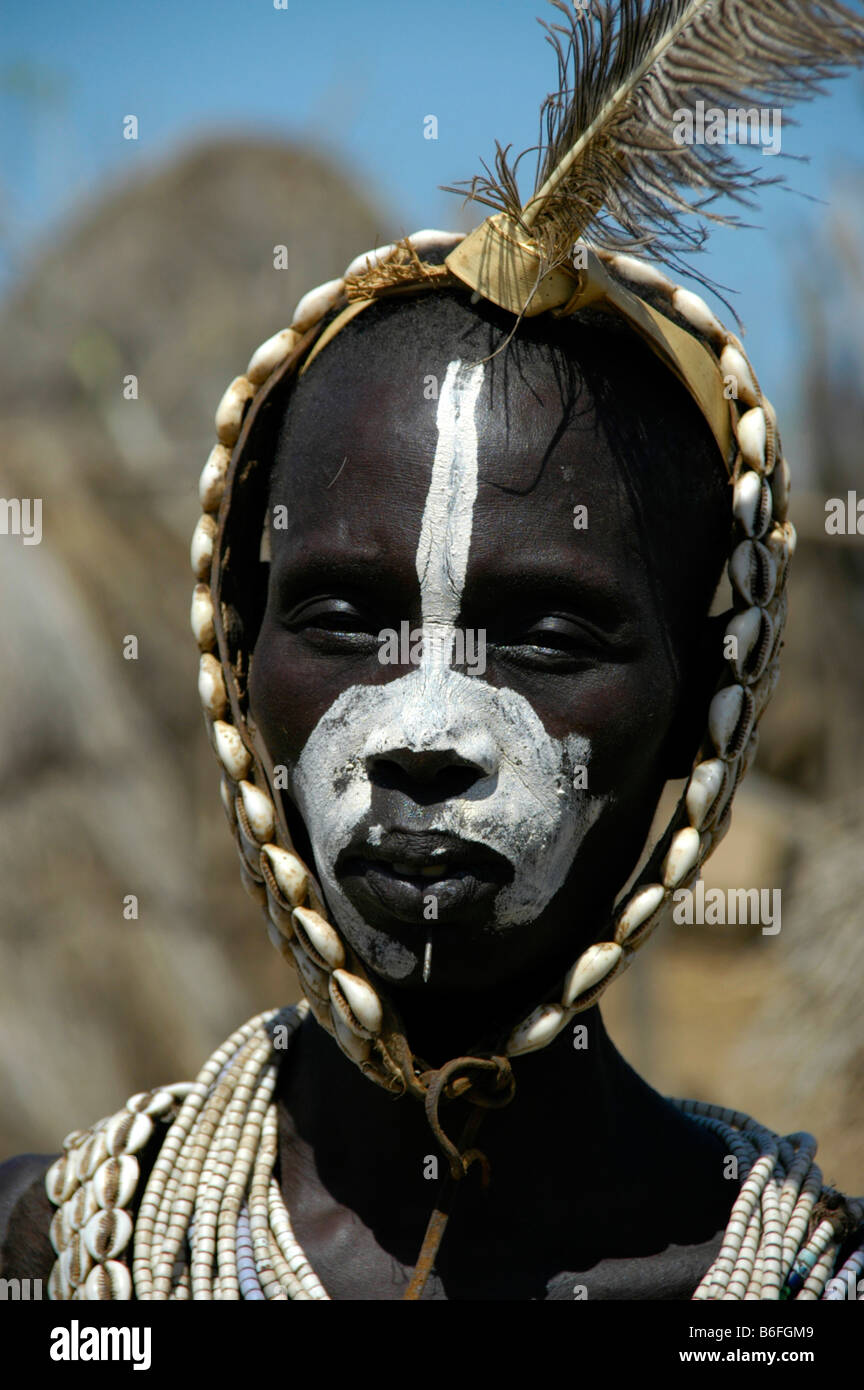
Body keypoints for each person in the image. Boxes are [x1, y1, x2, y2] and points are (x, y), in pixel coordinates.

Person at [2, 0, 864, 1302]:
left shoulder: (800, 1291)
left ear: (709, 707)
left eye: (549, 631)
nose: (422, 731)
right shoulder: (56, 1251)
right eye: (344, 618)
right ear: (237, 657)